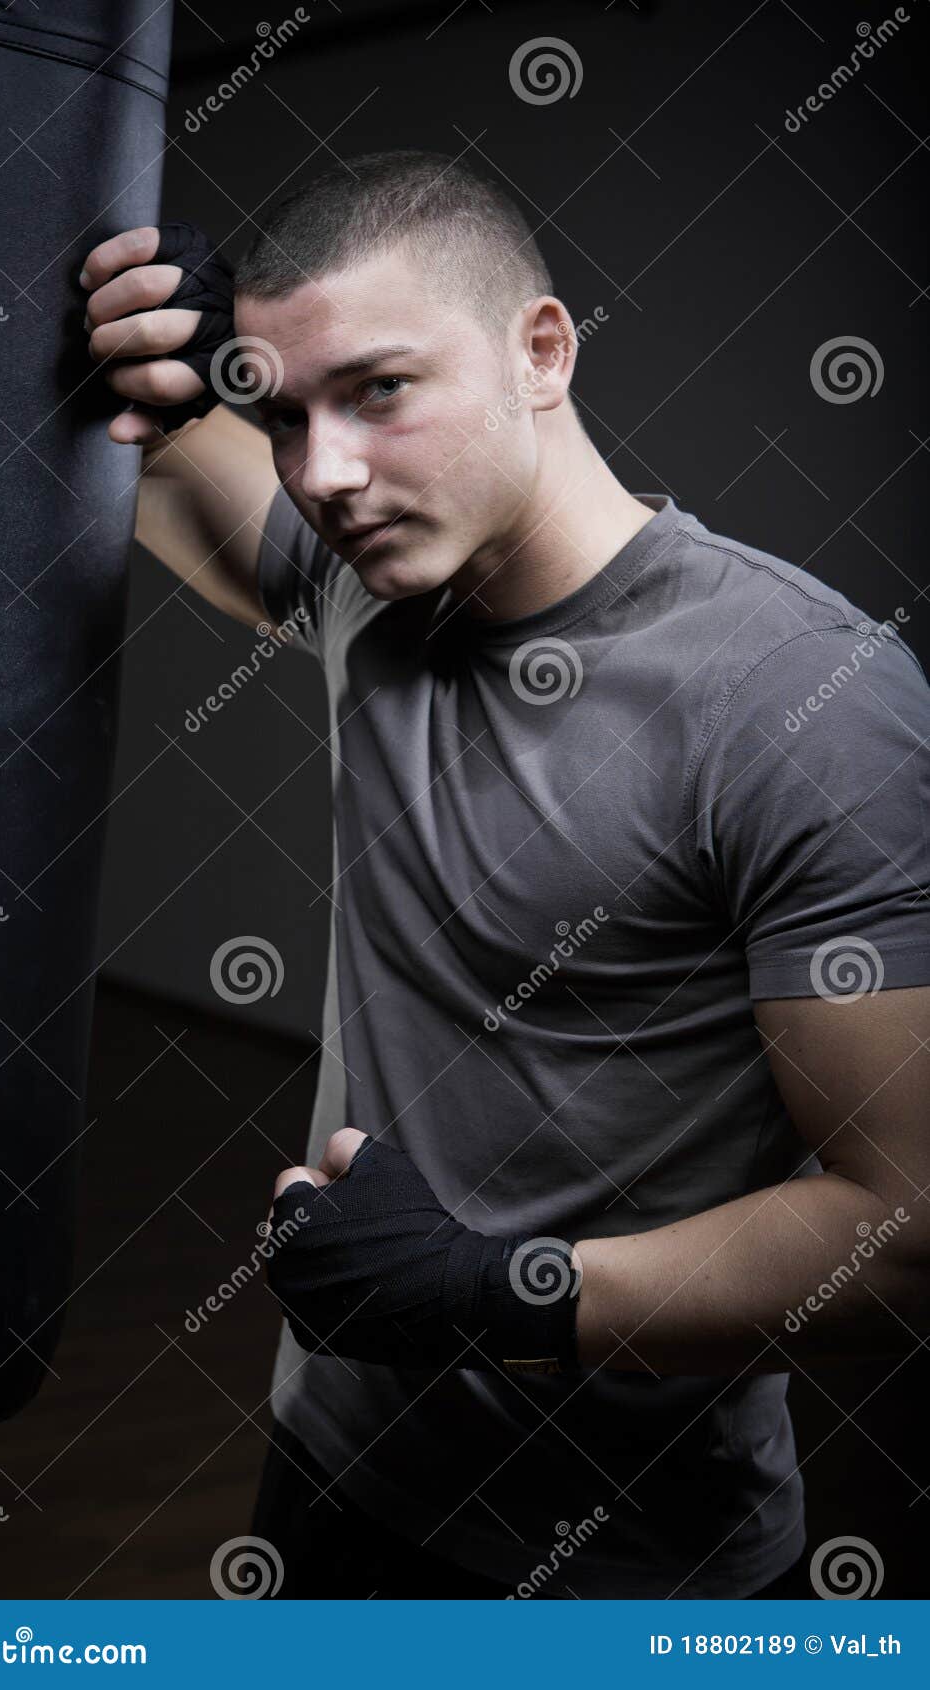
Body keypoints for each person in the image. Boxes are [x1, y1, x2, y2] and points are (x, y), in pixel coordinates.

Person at [77, 150, 930, 1599]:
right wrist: (141, 329)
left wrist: (498, 1298)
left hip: (634, 1570)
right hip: (328, 1478)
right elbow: (164, 449)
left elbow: (908, 1236)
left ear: (543, 350)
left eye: (381, 389)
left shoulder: (803, 697)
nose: (323, 470)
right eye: (286, 413)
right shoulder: (370, 579)